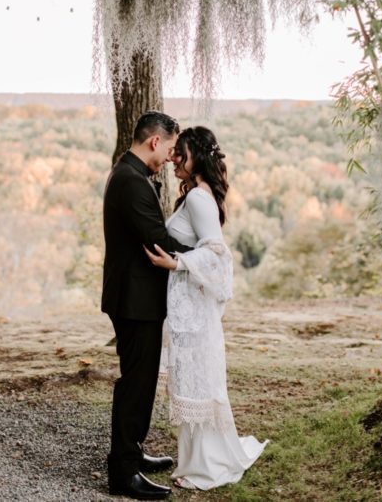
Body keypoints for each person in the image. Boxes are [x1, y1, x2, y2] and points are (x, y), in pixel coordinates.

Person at [144, 125, 268, 490]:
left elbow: (217, 253)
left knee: (194, 383)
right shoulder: (200, 194)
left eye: (180, 153)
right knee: (195, 381)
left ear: (196, 155)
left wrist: (177, 264)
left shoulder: (199, 198)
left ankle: (204, 466)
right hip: (189, 304)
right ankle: (198, 458)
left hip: (193, 309)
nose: (174, 160)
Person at [102, 111, 194, 501]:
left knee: (140, 381)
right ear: (155, 141)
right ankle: (123, 472)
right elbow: (156, 238)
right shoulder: (130, 181)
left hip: (136, 296)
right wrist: (205, 255)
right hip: (134, 299)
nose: (171, 158)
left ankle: (134, 453)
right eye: (170, 148)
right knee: (136, 384)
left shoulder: (130, 174)